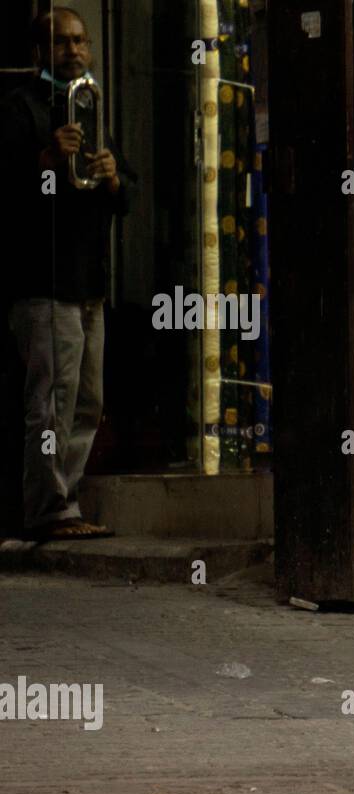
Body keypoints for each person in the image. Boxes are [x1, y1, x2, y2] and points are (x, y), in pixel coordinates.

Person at [0, 7, 135, 541]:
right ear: (40, 54)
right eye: (62, 44)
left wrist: (113, 178)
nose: (75, 52)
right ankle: (48, 509)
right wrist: (46, 163)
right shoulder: (17, 109)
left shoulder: (92, 105)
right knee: (51, 402)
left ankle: (66, 501)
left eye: (81, 43)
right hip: (41, 282)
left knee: (86, 401)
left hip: (88, 281)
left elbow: (126, 197)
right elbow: (10, 195)